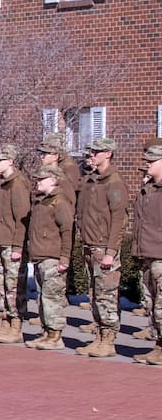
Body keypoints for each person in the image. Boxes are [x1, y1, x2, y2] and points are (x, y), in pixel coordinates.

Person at [76, 136, 128, 358]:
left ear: (108, 154)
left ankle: (108, 340)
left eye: (96, 152)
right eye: (90, 153)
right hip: (89, 245)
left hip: (103, 247)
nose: (91, 156)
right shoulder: (90, 181)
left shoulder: (114, 183)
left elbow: (119, 220)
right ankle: (98, 336)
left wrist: (110, 252)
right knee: (94, 294)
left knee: (107, 295)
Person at [0, 147, 31, 343]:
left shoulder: (18, 184)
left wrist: (18, 247)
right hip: (0, 241)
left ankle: (16, 327)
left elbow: (22, 219)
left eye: (0, 160)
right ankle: (5, 323)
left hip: (12, 243)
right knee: (1, 287)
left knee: (14, 288)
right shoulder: (0, 183)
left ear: (10, 160)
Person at [25, 166, 75, 351]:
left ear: (53, 180)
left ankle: (55, 336)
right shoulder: (41, 202)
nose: (38, 182)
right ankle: (46, 332)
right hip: (40, 256)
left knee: (52, 297)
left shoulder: (59, 202)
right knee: (43, 297)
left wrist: (64, 258)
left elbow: (67, 231)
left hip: (53, 257)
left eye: (42, 179)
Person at [133, 144, 162, 364]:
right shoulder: (148, 189)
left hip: (160, 253)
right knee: (150, 302)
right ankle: (158, 344)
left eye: (152, 161)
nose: (147, 163)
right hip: (146, 252)